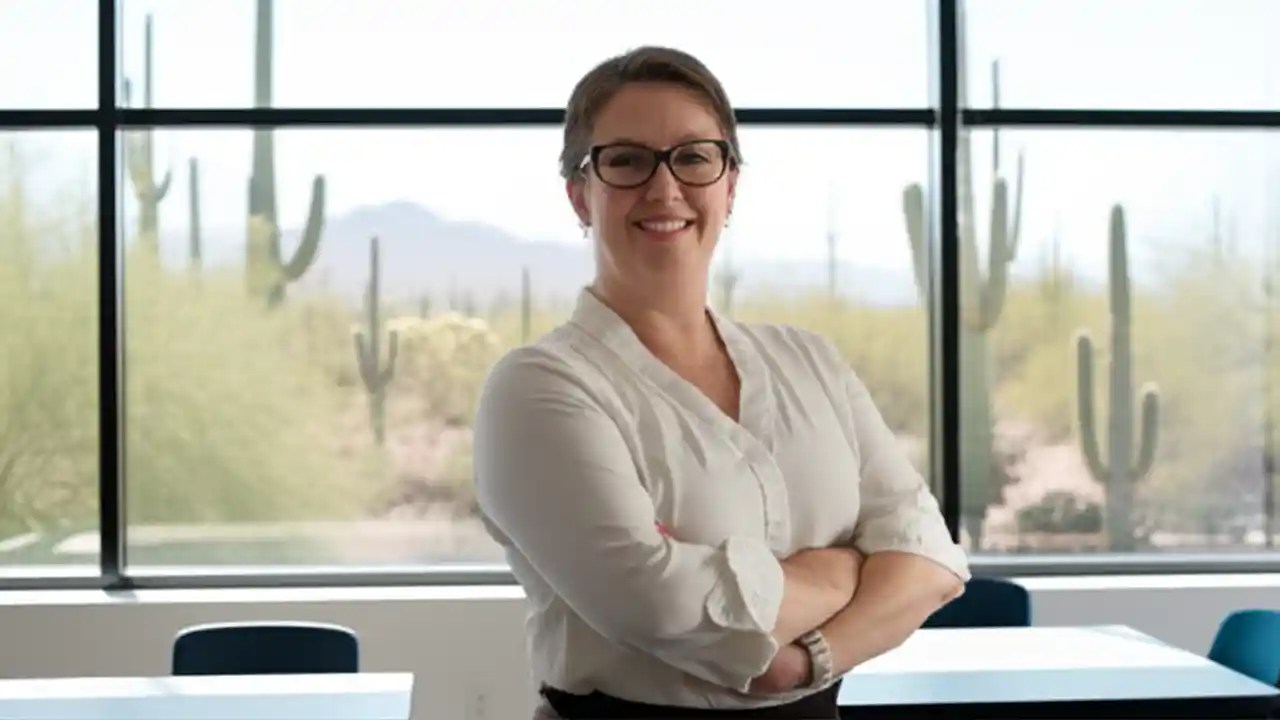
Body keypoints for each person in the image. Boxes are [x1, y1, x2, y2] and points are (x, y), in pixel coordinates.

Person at [472, 45, 971, 720]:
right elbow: (659, 605)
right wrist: (845, 568)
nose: (663, 187)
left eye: (694, 156)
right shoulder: (537, 390)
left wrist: (803, 662)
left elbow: (929, 560)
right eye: (625, 160)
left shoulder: (811, 362)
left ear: (729, 185)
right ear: (579, 195)